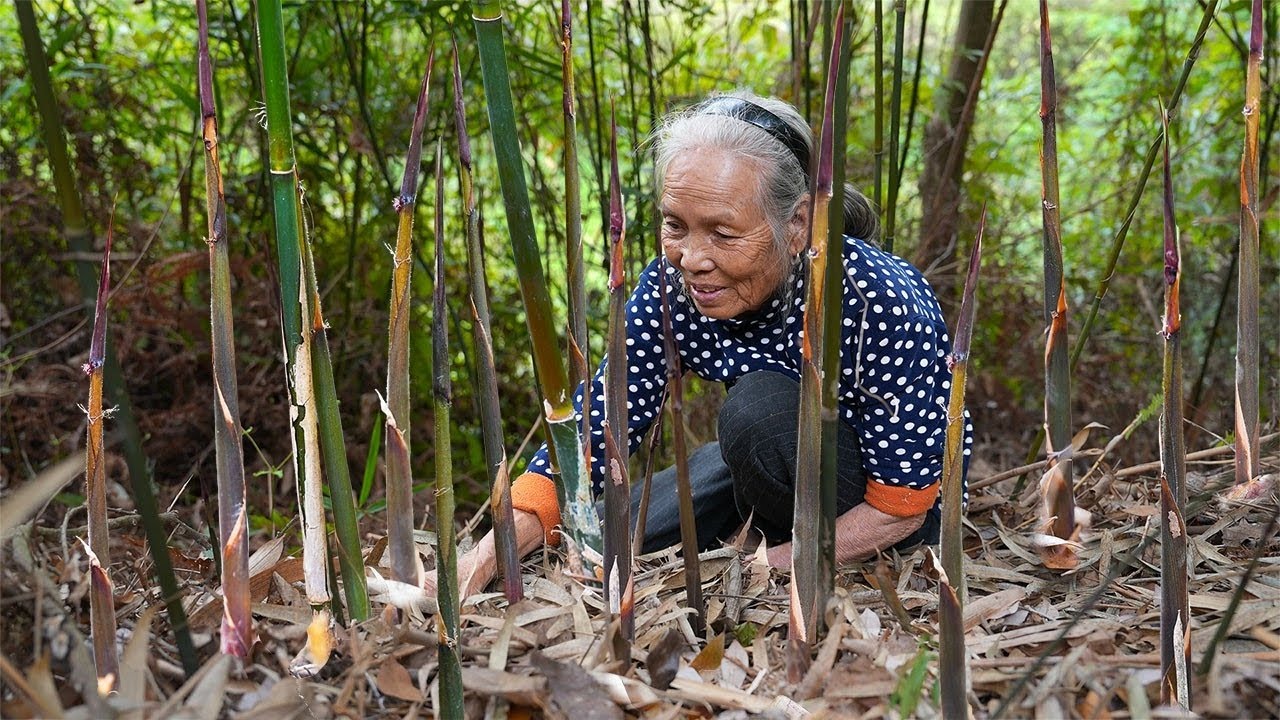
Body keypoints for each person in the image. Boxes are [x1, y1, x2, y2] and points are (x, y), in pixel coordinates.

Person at [438, 91, 971, 597]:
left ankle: (768, 533)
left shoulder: (873, 296)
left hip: (893, 506)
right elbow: (598, 424)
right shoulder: (672, 288)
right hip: (772, 467)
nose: (691, 258)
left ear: (797, 225)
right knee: (592, 534)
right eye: (676, 226)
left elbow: (904, 506)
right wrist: (485, 559)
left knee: (757, 411)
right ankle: (746, 510)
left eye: (723, 233)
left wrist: (770, 565)